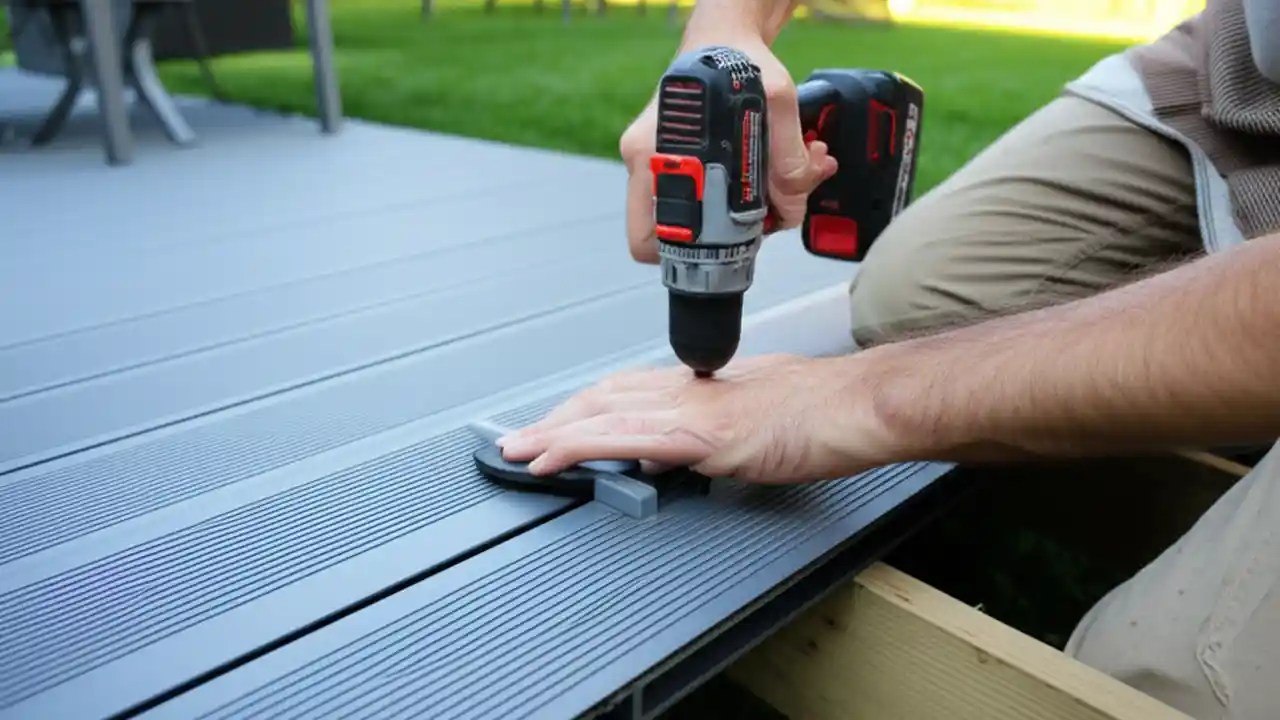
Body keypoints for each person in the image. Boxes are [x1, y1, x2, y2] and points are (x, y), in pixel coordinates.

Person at [499, 0, 1280, 716]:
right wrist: (725, 33)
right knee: (913, 307)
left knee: (1157, 682)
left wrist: (859, 399)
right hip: (1243, 71)